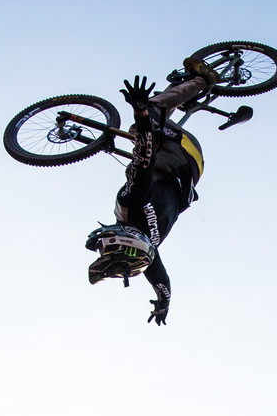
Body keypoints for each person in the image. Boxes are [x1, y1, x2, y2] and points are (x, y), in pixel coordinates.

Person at [85, 58, 217, 326]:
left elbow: (161, 282)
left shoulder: (150, 249)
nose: (101, 246)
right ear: (120, 237)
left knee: (144, 150)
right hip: (180, 149)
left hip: (193, 171)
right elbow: (144, 155)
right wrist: (141, 113)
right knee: (153, 113)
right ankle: (205, 79)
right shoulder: (131, 203)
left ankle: (180, 104)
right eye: (105, 248)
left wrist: (163, 303)